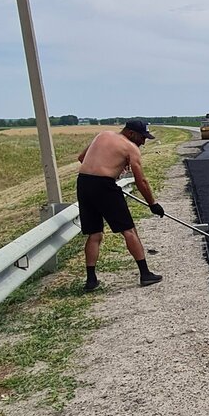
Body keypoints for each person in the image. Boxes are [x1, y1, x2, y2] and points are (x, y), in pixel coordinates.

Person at [76, 119, 165, 292]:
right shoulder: (130, 147)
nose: (143, 141)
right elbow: (142, 181)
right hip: (104, 187)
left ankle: (91, 280)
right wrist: (152, 204)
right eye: (142, 137)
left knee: (94, 233)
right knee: (129, 230)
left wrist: (107, 167)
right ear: (131, 133)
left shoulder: (102, 135)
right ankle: (145, 273)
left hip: (84, 183)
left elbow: (81, 158)